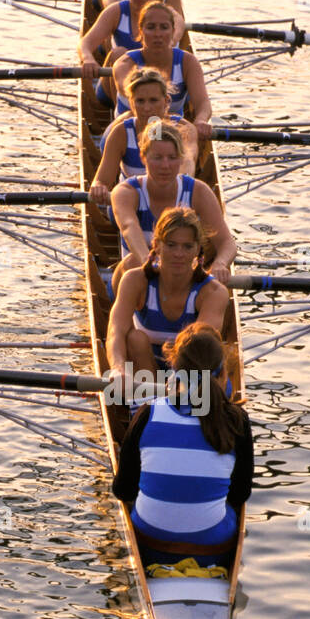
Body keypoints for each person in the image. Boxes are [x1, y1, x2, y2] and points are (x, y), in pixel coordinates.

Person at [112, 321, 253, 570]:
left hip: (149, 543)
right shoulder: (237, 420)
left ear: (175, 370)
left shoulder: (148, 413)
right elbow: (240, 495)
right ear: (223, 374)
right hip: (213, 549)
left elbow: (123, 490)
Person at [106, 208, 228, 379]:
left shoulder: (214, 292)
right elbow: (115, 331)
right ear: (156, 245)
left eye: (187, 246)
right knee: (135, 338)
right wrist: (117, 367)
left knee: (195, 342)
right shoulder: (135, 280)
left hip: (192, 372)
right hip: (145, 372)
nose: (179, 254)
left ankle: (156, 402)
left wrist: (175, 389)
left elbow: (200, 351)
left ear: (198, 250)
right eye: (171, 245)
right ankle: (147, 399)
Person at [108, 121, 234, 285]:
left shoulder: (198, 191)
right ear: (143, 157)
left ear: (181, 159)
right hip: (139, 281)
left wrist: (220, 263)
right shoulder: (125, 192)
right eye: (157, 158)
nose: (165, 166)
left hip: (181, 280)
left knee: (214, 291)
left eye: (172, 158)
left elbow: (227, 242)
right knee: (132, 261)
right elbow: (129, 227)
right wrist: (151, 263)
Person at [89, 68, 197, 195]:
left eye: (153, 100)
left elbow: (187, 167)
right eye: (140, 101)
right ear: (131, 103)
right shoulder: (121, 132)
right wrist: (98, 188)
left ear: (166, 101)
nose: (147, 108)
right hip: (128, 203)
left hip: (171, 202)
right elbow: (101, 180)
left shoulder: (184, 129)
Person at [112, 1, 211, 133]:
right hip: (129, 131)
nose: (157, 34)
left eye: (164, 27)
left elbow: (203, 103)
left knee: (181, 134)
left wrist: (201, 120)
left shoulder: (188, 62)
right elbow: (140, 104)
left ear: (173, 31)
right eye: (151, 27)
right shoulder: (125, 64)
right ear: (141, 31)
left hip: (170, 133)